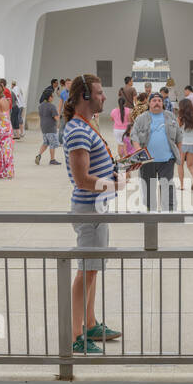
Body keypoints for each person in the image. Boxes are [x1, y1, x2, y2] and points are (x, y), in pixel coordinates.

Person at [61, 74, 125, 354]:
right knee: (85, 272)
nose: (104, 97)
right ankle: (76, 335)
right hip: (89, 209)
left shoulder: (86, 126)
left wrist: (115, 171)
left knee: (92, 270)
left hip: (97, 208)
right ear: (85, 97)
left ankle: (89, 323)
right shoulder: (77, 130)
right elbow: (82, 180)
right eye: (99, 93)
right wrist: (116, 184)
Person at [131, 90, 181, 210]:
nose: (157, 103)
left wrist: (179, 155)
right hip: (147, 160)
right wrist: (139, 152)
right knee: (148, 187)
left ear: (162, 103)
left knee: (167, 185)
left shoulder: (170, 116)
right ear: (149, 103)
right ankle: (150, 209)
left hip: (167, 160)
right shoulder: (141, 118)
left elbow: (179, 136)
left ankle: (168, 211)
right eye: (154, 100)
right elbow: (134, 136)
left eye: (159, 100)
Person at [0, 83, 15, 178]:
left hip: (1, 127)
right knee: (7, 149)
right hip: (8, 126)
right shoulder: (5, 100)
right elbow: (6, 114)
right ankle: (9, 172)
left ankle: (2, 172)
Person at [176, 97, 193, 194]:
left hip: (183, 143)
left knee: (180, 164)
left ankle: (181, 185)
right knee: (190, 165)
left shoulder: (180, 118)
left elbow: (177, 131)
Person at [36, 88, 61, 165]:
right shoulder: (52, 106)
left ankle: (39, 155)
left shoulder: (40, 106)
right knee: (52, 144)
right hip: (51, 128)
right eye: (52, 96)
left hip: (43, 128)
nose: (53, 98)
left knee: (45, 143)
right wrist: (60, 118)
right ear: (49, 97)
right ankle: (52, 159)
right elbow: (56, 118)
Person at [110, 90, 132, 160]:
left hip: (116, 130)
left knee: (120, 144)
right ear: (125, 103)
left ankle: (121, 158)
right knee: (126, 145)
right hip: (125, 130)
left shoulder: (113, 110)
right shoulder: (128, 110)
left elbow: (112, 119)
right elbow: (130, 120)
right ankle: (126, 158)